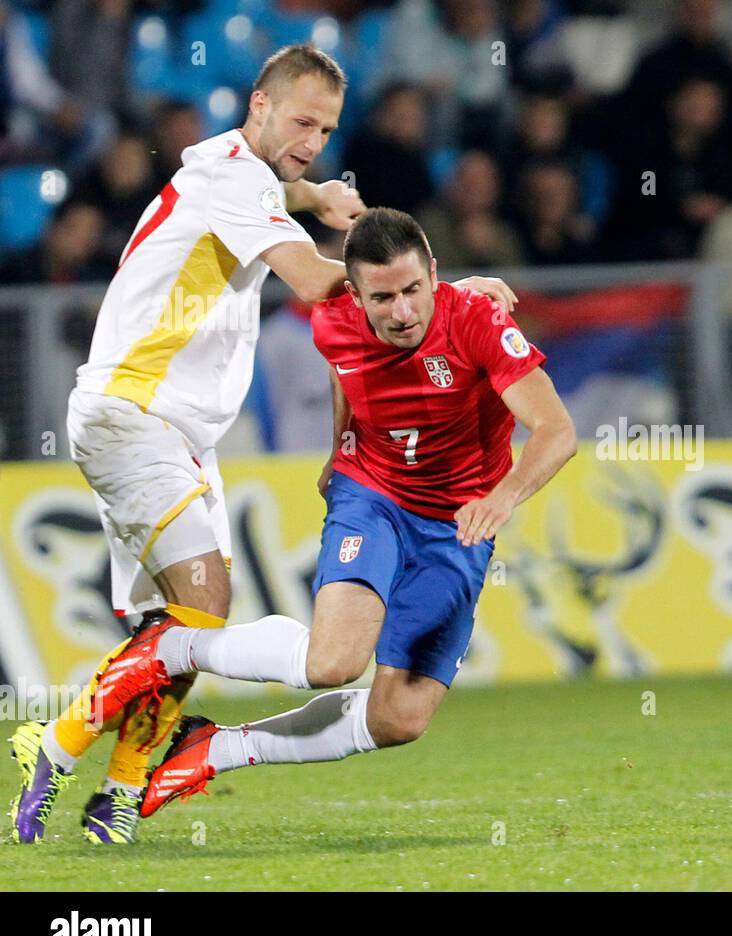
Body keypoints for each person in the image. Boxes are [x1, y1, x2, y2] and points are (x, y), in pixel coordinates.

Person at [7, 44, 512, 846]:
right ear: (258, 105)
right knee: (200, 608)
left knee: (192, 615)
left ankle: (118, 797)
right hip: (132, 412)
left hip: (176, 429)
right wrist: (441, 290)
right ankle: (63, 734)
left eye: (327, 128)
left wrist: (314, 193)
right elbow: (316, 284)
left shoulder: (235, 170)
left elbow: (276, 184)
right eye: (302, 121)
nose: (314, 139)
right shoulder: (231, 178)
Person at [121, 208, 575, 816]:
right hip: (375, 496)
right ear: (355, 294)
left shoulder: (479, 322)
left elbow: (556, 431)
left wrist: (502, 497)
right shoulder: (332, 319)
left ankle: (217, 748)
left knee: (400, 718)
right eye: (383, 297)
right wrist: (341, 449)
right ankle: (171, 648)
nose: (403, 311)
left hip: (458, 524)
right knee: (333, 662)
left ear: (435, 273)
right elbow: (347, 373)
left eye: (415, 290)